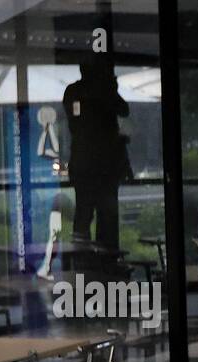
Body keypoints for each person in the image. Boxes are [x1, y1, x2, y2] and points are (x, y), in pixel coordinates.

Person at [63, 55, 131, 255]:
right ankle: (103, 260)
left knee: (84, 212)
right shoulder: (99, 91)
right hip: (103, 165)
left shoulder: (74, 91)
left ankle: (84, 260)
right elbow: (123, 110)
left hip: (85, 163)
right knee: (104, 213)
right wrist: (110, 91)